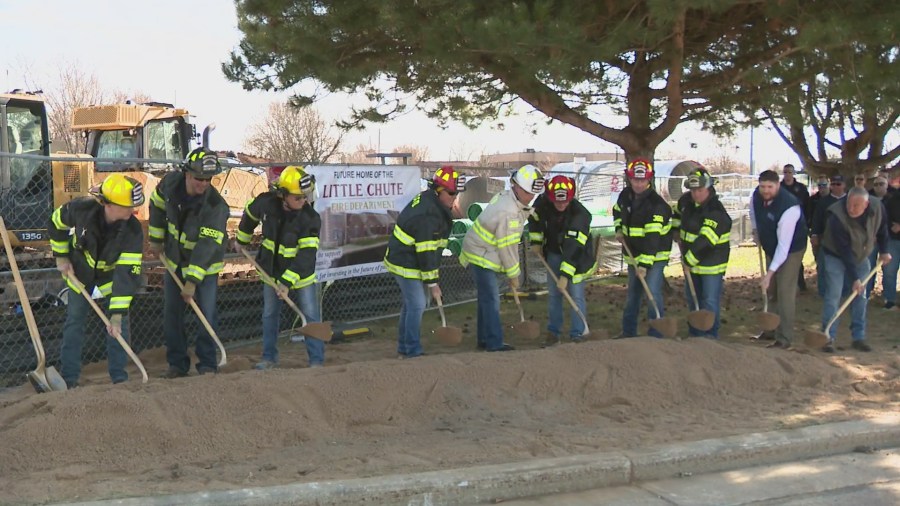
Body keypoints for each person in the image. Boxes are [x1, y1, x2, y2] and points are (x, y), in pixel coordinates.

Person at [49, 174, 145, 387]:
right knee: (74, 323)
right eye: (127, 206)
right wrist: (61, 256)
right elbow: (56, 222)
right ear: (108, 204)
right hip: (80, 277)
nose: (132, 211)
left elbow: (127, 273)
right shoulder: (81, 209)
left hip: (111, 282)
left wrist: (117, 315)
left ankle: (119, 378)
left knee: (119, 328)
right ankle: (69, 378)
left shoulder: (132, 231)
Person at [148, 147, 229, 377]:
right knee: (172, 314)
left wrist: (192, 281)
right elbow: (156, 205)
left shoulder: (215, 206)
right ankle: (177, 364)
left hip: (204, 268)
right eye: (198, 178)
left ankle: (207, 364)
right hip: (175, 261)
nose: (203, 184)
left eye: (208, 180)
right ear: (186, 173)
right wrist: (156, 239)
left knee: (206, 314)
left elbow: (207, 246)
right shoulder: (170, 184)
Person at [237, 166, 324, 369]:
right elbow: (250, 213)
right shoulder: (266, 203)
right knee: (269, 314)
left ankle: (317, 361)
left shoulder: (310, 219)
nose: (303, 201)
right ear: (282, 195)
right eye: (298, 198)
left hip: (300, 277)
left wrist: (286, 282)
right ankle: (269, 358)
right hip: (270, 273)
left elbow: (306, 256)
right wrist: (242, 239)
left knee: (310, 316)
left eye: (305, 197)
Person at [460, 164, 544, 352]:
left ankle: (484, 340)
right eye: (529, 192)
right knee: (491, 299)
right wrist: (514, 274)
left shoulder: (509, 199)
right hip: (480, 253)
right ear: (517, 187)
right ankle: (494, 343)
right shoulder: (509, 212)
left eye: (533, 193)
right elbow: (507, 246)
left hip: (481, 249)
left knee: (486, 299)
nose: (532, 197)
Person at [384, 166, 464, 358]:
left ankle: (404, 347)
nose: (454, 197)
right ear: (438, 190)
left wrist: (431, 280)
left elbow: (432, 249)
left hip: (411, 258)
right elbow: (426, 251)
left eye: (457, 193)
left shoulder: (434, 204)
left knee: (413, 303)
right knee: (418, 303)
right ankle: (412, 350)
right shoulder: (428, 214)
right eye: (451, 193)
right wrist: (433, 283)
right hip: (404, 261)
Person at [819, 187, 891, 352]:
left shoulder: (878, 208)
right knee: (833, 295)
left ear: (866, 204)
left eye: (856, 206)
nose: (851, 209)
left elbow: (882, 230)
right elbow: (844, 250)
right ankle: (827, 336)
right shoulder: (836, 216)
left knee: (861, 296)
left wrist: (885, 251)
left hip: (860, 256)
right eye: (849, 204)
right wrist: (855, 279)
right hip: (835, 255)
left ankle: (858, 337)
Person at [528, 175, 594, 346]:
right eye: (557, 203)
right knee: (554, 295)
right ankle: (553, 333)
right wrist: (536, 241)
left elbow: (573, 248)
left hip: (577, 256)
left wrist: (565, 275)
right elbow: (534, 220)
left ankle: (578, 332)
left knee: (576, 295)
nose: (561, 205)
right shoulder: (543, 203)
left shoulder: (580, 215)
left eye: (564, 203)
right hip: (553, 253)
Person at [612, 159, 672, 338]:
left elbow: (652, 239)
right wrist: (618, 228)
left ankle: (657, 334)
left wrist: (644, 265)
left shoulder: (657, 206)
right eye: (635, 180)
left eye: (642, 180)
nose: (638, 184)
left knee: (652, 292)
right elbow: (617, 210)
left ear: (649, 180)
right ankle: (628, 332)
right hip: (634, 255)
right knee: (632, 295)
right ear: (629, 178)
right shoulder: (625, 196)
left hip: (655, 256)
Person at [750, 170, 808, 348]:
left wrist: (769, 274)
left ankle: (784, 337)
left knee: (784, 291)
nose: (765, 190)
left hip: (791, 249)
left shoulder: (789, 207)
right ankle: (770, 329)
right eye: (763, 186)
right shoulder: (756, 196)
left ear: (778, 185)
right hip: (770, 245)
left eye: (770, 187)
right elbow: (753, 211)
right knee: (771, 290)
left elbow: (783, 248)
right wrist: (755, 231)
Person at [672, 167, 732, 338]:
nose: (696, 194)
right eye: (693, 190)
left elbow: (705, 242)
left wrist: (688, 261)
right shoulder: (686, 202)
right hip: (691, 263)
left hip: (711, 265)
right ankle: (695, 335)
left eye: (700, 190)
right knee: (693, 300)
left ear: (708, 188)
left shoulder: (716, 212)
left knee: (709, 301)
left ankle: (711, 336)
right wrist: (675, 230)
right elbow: (676, 213)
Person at [810, 174, 848, 297]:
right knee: (823, 267)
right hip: (826, 240)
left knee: (847, 267)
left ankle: (845, 292)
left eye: (838, 184)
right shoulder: (824, 201)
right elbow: (816, 219)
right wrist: (814, 234)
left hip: (847, 241)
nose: (836, 187)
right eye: (833, 184)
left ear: (844, 185)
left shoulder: (850, 200)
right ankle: (823, 292)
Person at [781, 164, 810, 291]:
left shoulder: (801, 189)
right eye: (785, 172)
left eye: (790, 172)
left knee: (796, 256)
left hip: (798, 227)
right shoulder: (779, 188)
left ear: (793, 173)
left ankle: (800, 283)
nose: (787, 174)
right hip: (782, 227)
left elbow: (808, 207)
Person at [866, 176, 891, 297]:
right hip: (871, 239)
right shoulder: (867, 199)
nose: (878, 186)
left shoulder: (895, 197)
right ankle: (865, 292)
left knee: (888, 269)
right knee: (867, 266)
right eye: (876, 184)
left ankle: (888, 298)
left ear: (887, 185)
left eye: (881, 184)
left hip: (891, 238)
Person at [883, 181, 900, 310]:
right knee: (889, 271)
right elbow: (884, 218)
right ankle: (890, 300)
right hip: (893, 239)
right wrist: (891, 226)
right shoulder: (893, 198)